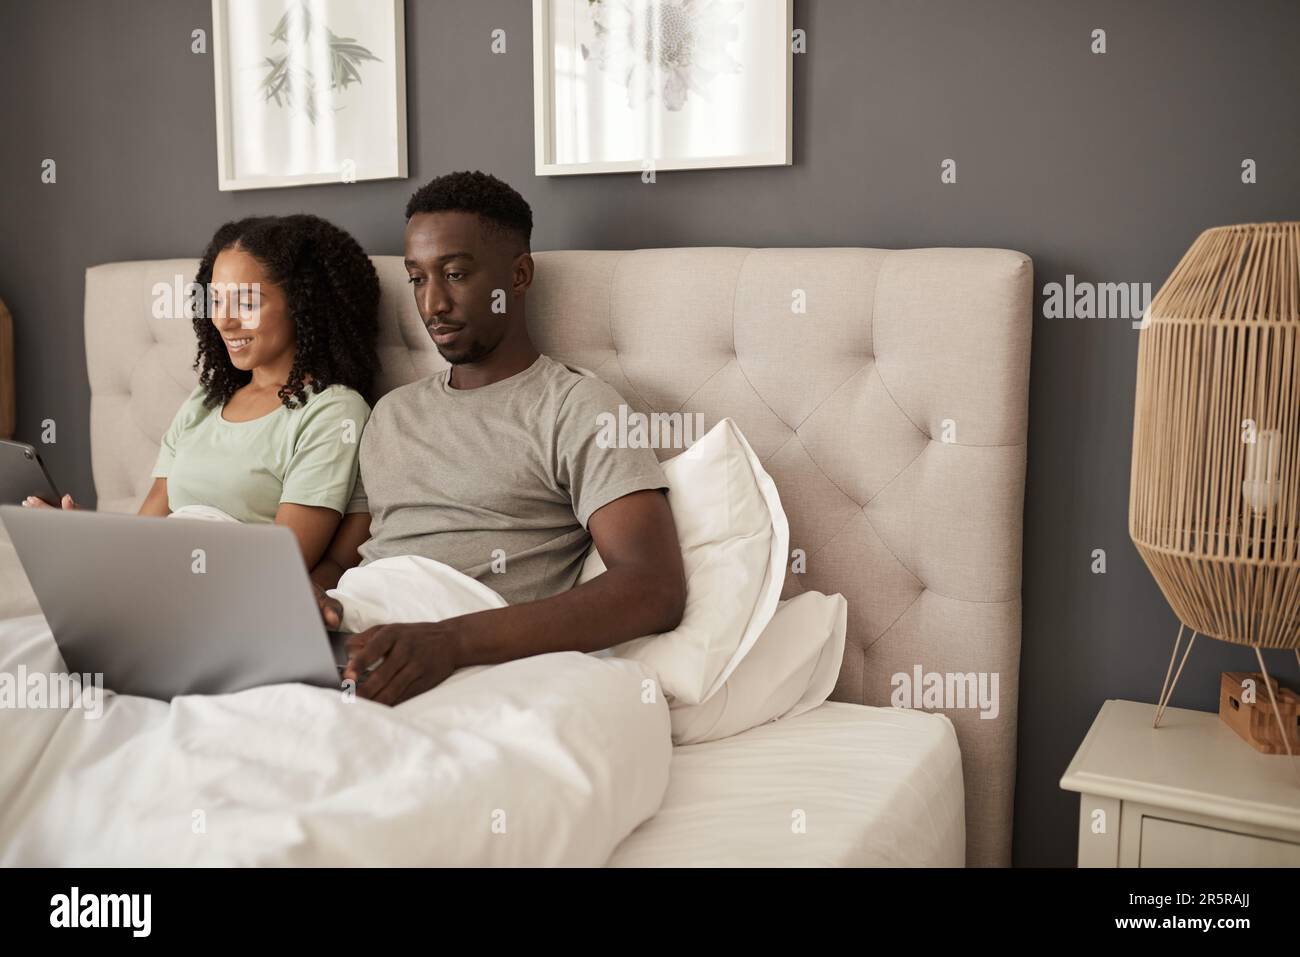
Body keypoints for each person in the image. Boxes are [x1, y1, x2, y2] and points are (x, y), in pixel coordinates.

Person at [314, 171, 686, 705]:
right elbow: (344, 559)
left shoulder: (575, 407)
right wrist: (306, 597)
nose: (432, 304)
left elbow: (653, 588)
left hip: (470, 657)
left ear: (518, 275)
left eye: (456, 274)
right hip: (360, 641)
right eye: (418, 278)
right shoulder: (391, 413)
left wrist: (452, 641)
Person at [26, 214, 380, 583]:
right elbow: (145, 533)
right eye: (216, 301)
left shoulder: (333, 411)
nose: (223, 321)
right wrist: (82, 532)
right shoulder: (206, 401)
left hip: (220, 590)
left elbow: (280, 562)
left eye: (246, 303)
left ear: (302, 305)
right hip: (161, 578)